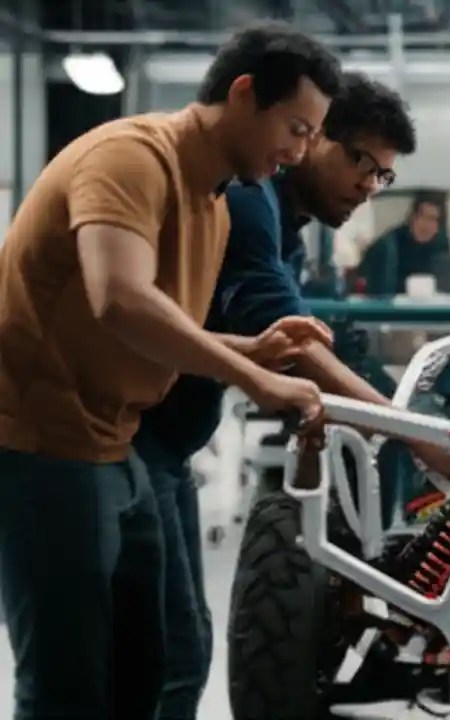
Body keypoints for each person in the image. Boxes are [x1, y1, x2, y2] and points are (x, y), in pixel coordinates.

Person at [0, 22, 342, 720]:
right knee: (69, 684)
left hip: (116, 443)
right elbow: (119, 299)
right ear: (245, 93)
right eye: (297, 128)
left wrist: (252, 350)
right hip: (41, 444)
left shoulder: (211, 197)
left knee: (152, 666)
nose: (301, 151)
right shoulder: (131, 158)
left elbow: (164, 326)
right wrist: (254, 380)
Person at [128, 70, 450, 718]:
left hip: (162, 447)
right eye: (362, 161)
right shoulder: (250, 205)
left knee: (176, 653)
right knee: (141, 658)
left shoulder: (287, 229)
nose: (369, 184)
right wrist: (422, 439)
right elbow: (290, 342)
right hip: (128, 443)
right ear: (313, 139)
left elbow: (284, 351)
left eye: (383, 175)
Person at [357, 194, 450, 296]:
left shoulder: (442, 247)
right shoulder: (388, 245)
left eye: (433, 219)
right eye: (423, 217)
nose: (427, 225)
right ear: (412, 217)